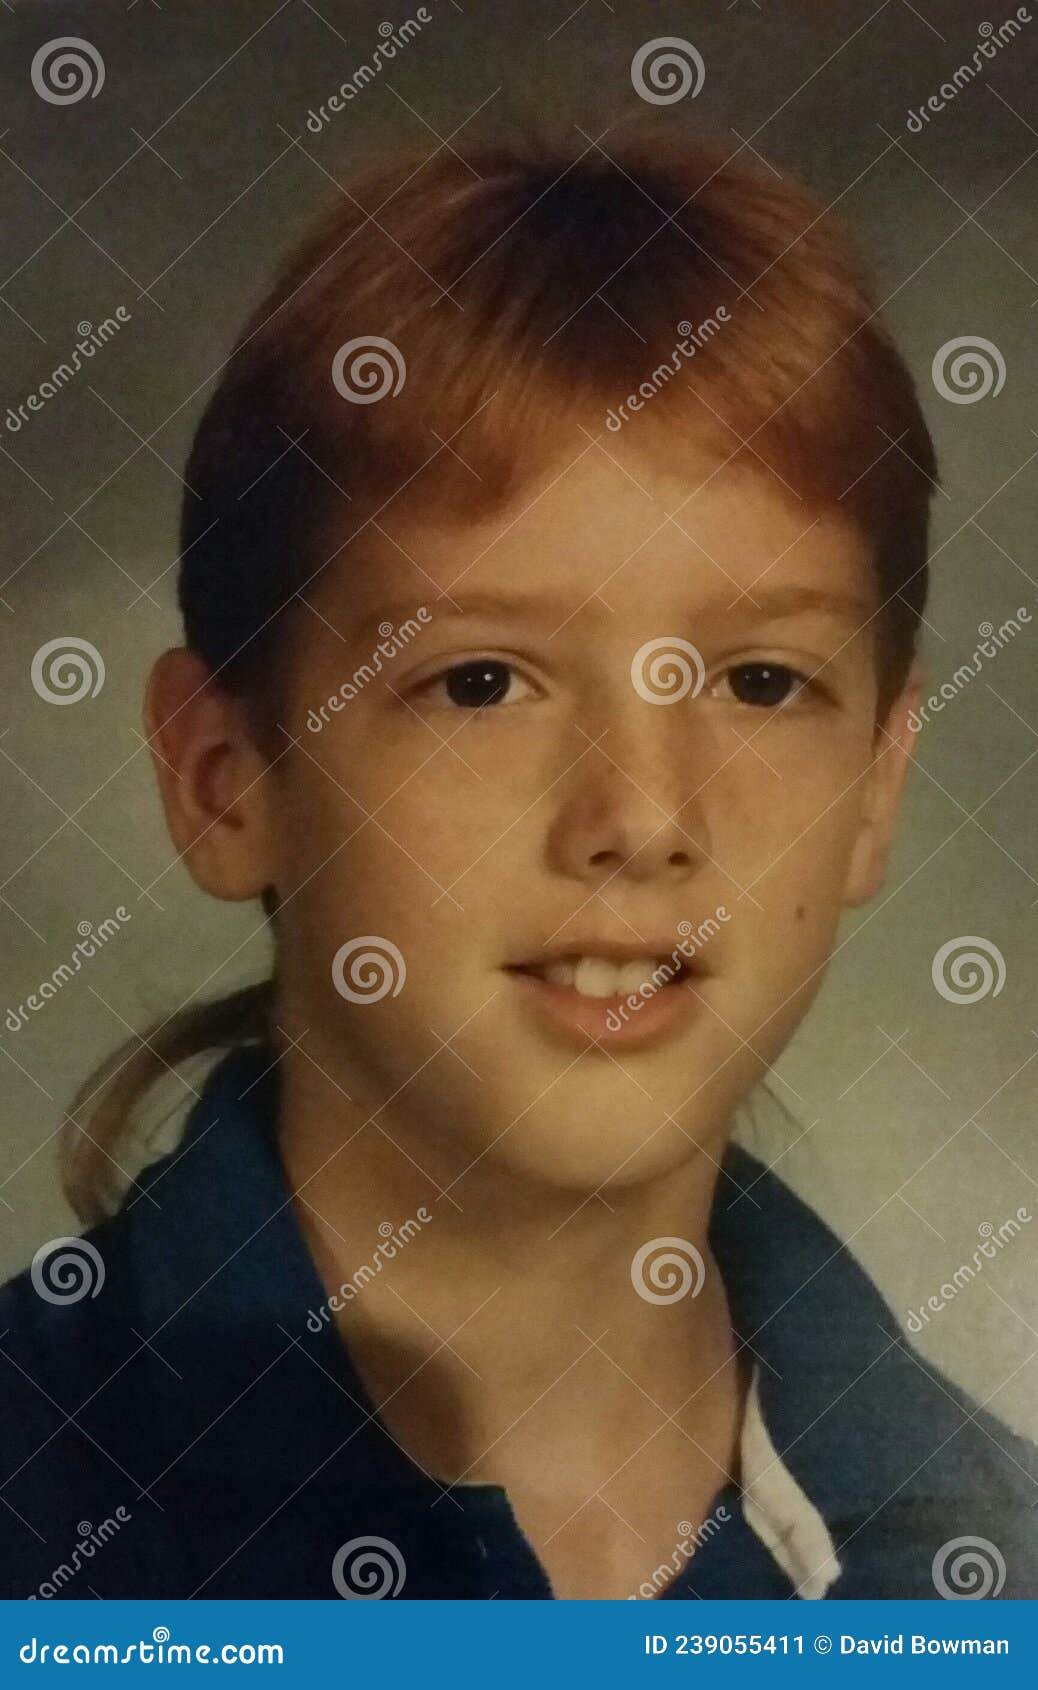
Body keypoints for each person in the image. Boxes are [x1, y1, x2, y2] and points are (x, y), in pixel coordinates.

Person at [2, 135, 1035, 1602]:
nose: (638, 815)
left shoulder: (987, 1559)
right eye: (480, 682)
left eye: (756, 681)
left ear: (877, 781)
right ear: (224, 778)